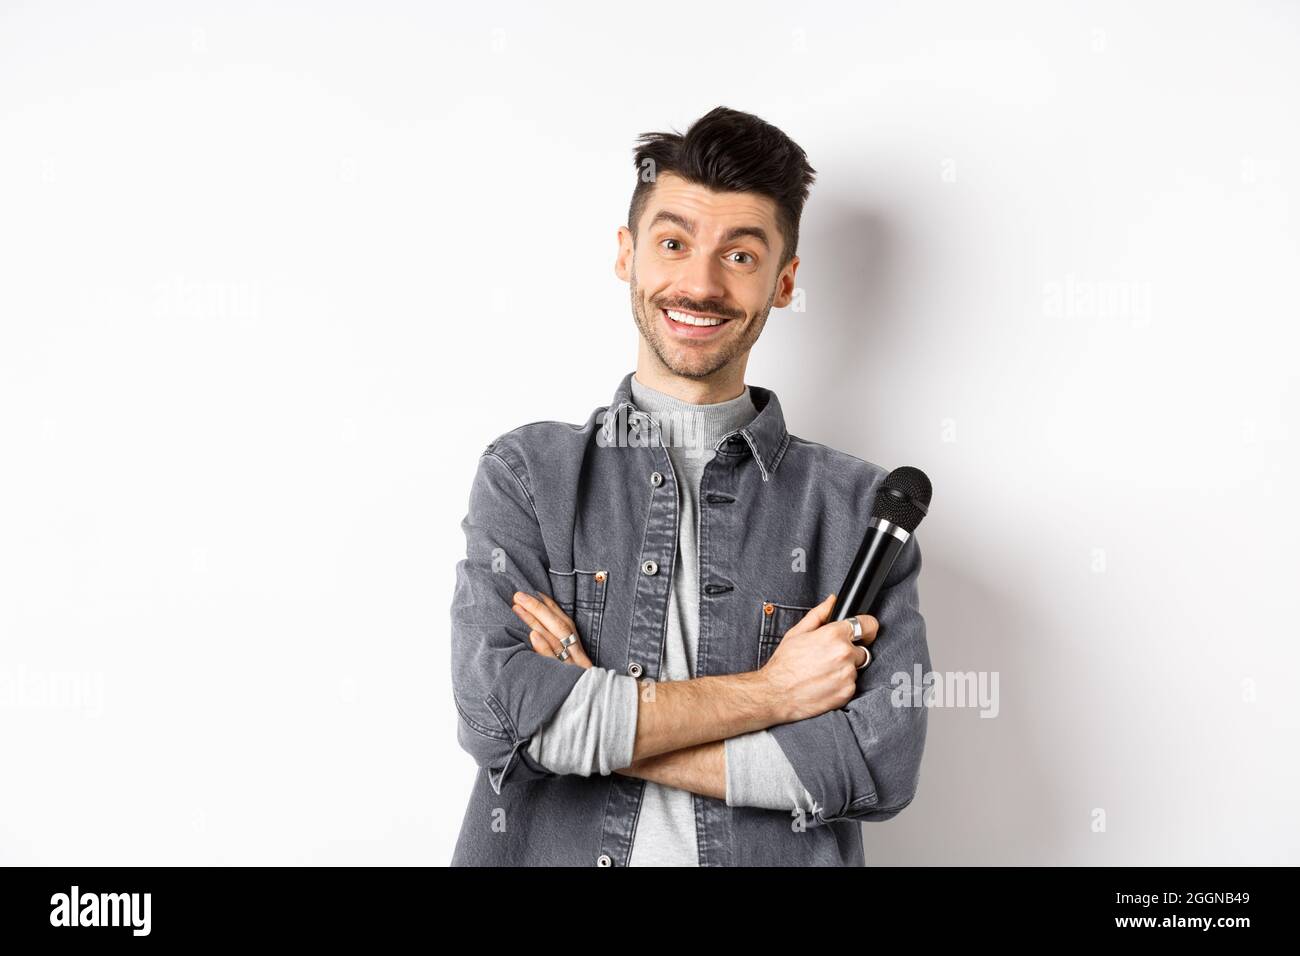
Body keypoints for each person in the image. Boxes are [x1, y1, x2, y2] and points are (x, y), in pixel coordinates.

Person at [449, 106, 930, 866]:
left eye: (740, 256)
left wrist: (594, 728)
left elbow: (879, 764)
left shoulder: (857, 512)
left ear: (784, 281)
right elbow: (494, 719)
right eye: (673, 244)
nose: (699, 284)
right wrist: (774, 695)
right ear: (626, 255)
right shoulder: (528, 477)